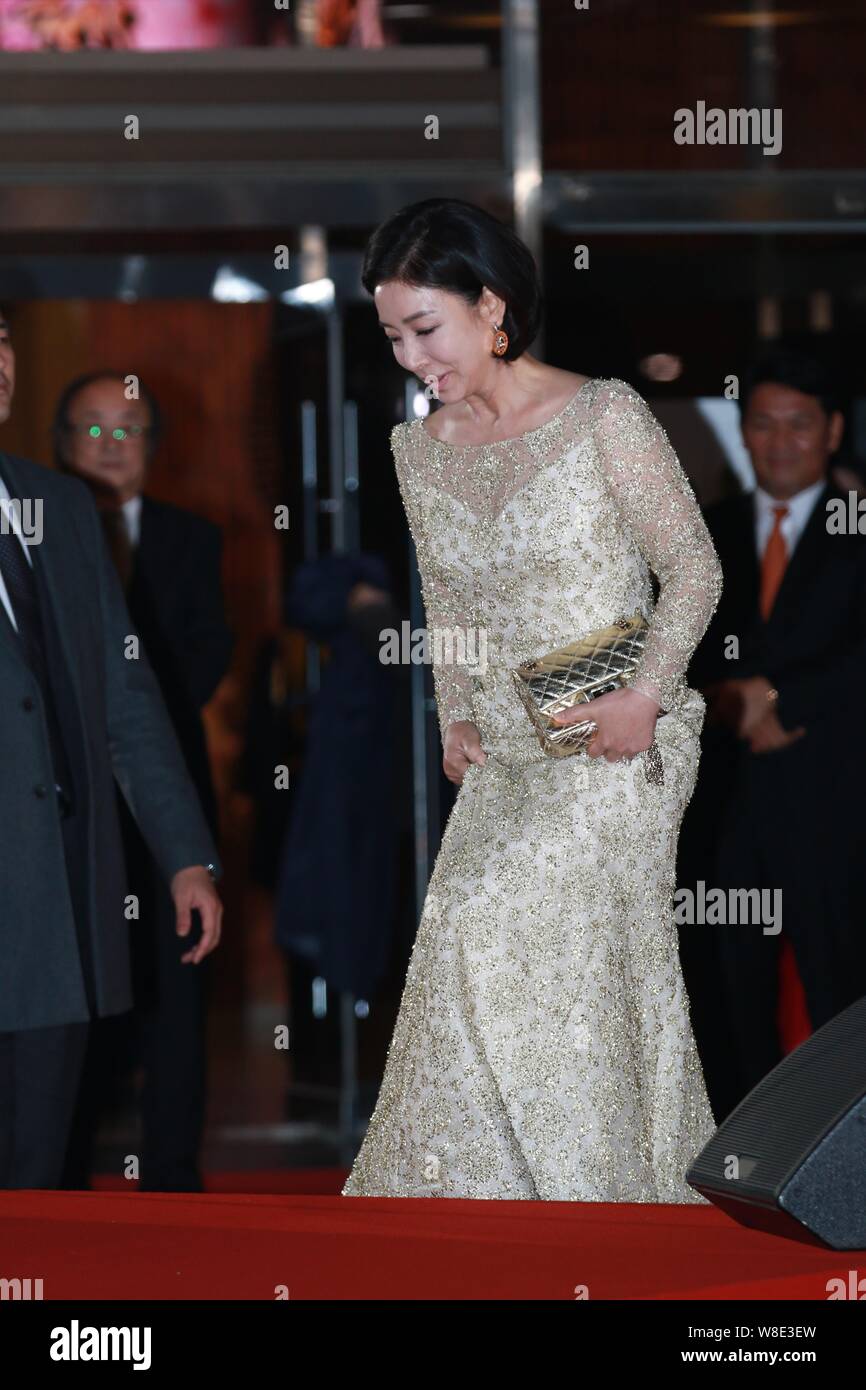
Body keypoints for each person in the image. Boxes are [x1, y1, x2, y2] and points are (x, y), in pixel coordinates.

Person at [341, 198, 723, 1201]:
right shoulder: (416, 451)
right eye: (392, 337)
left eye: (425, 328)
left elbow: (690, 569)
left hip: (613, 746)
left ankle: (580, 1205)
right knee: (503, 963)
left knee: (484, 921)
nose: (413, 356)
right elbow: (451, 604)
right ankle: (500, 1206)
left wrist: (644, 694)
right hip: (507, 757)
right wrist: (450, 715)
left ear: (491, 307)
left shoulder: (602, 414)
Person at [0, 309, 222, 1189]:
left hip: (58, 911)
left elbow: (124, 700)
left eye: (2, 341)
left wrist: (184, 856)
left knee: (37, 1176)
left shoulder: (57, 506)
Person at [52, 371, 233, 1192]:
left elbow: (205, 654)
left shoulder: (190, 538)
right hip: (62, 800)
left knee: (177, 990)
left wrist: (127, 720)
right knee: (77, 988)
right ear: (60, 444)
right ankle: (66, 1164)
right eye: (93, 428)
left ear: (153, 448)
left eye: (128, 429)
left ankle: (170, 1173)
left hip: (167, 798)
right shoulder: (35, 532)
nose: (110, 445)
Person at [678, 343, 866, 1121]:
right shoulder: (698, 532)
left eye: (798, 425)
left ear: (831, 431)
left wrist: (780, 696)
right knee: (725, 994)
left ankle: (849, 1172)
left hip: (836, 804)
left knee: (845, 996)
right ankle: (733, 1162)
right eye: (762, 424)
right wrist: (727, 699)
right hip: (726, 807)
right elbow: (666, 647)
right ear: (743, 431)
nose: (780, 441)